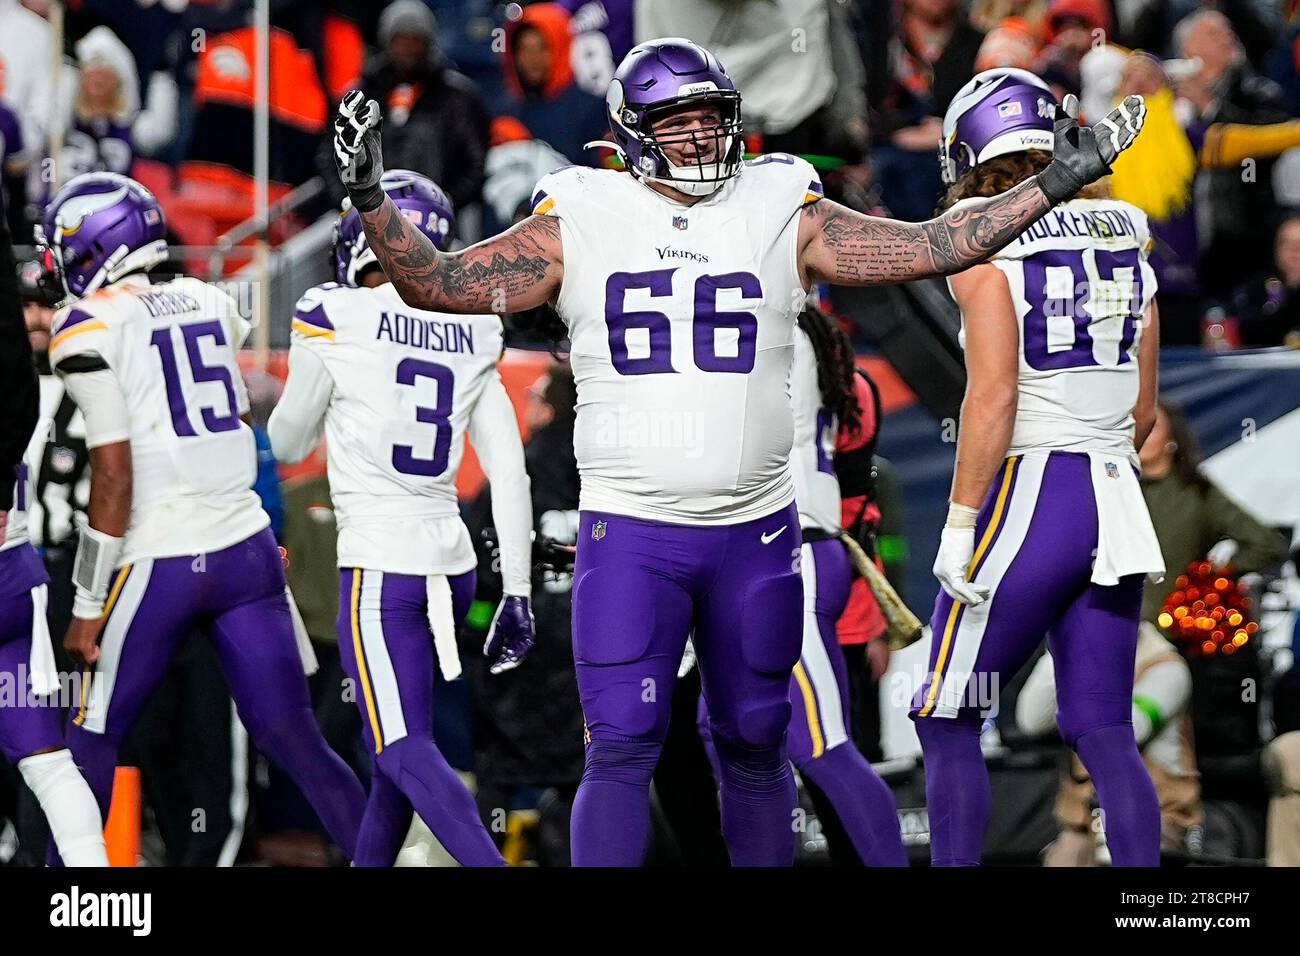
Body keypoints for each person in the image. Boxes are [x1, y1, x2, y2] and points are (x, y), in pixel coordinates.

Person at [332, 38, 1147, 866]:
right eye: (674, 121)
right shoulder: (578, 210)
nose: (697, 136)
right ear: (631, 131)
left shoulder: (779, 198)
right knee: (620, 746)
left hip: (756, 533)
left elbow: (932, 245)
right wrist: (372, 201)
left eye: (708, 117)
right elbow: (438, 281)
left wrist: (1052, 184)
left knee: (757, 744)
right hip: (634, 532)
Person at [38, 171, 366, 862]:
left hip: (161, 552)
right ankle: (378, 858)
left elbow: (114, 473)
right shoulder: (210, 299)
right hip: (246, 549)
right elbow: (231, 421)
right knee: (295, 739)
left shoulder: (87, 325)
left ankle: (69, 893)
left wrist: (88, 604)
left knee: (89, 737)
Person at [912, 67, 1164, 867]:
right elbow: (1144, 409)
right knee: (1104, 726)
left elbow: (993, 396)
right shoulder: (1127, 225)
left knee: (945, 710)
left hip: (1037, 489)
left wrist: (960, 523)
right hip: (1115, 495)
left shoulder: (979, 231)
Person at [267, 170, 535, 867]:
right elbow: (510, 472)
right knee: (398, 749)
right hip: (454, 567)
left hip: (382, 568)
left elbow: (289, 442)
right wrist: (518, 589)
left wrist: (325, 384)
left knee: (400, 747)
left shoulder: (337, 312)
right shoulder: (473, 326)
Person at [783, 306, 908, 866]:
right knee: (733, 741)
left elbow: (862, 513)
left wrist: (875, 622)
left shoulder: (776, 344)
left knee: (825, 743)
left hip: (802, 560)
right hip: (808, 558)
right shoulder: (838, 369)